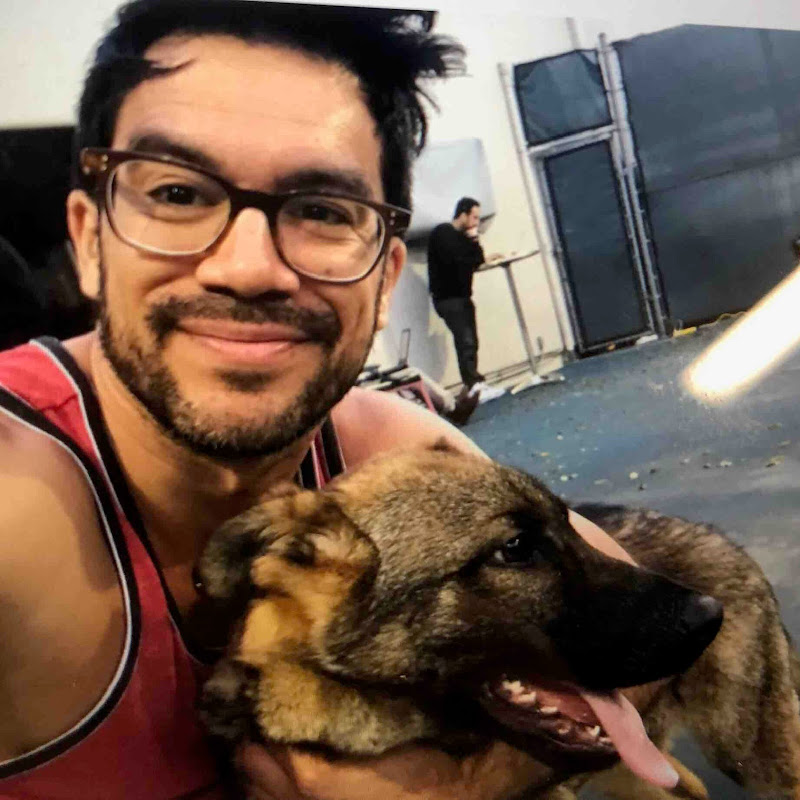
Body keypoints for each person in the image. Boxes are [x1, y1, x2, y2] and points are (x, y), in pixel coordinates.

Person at [0, 2, 638, 798]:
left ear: (384, 277)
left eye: (323, 211)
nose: (248, 268)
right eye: (178, 193)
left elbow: (650, 636)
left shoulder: (392, 455)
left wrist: (454, 784)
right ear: (89, 240)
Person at [427, 197, 505, 404]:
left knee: (471, 341)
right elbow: (459, 262)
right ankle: (472, 386)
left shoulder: (463, 237)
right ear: (462, 214)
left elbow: (476, 260)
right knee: (466, 341)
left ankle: (475, 384)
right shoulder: (442, 233)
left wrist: (474, 239)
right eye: (474, 217)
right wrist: (471, 246)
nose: (476, 223)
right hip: (448, 298)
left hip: (461, 297)